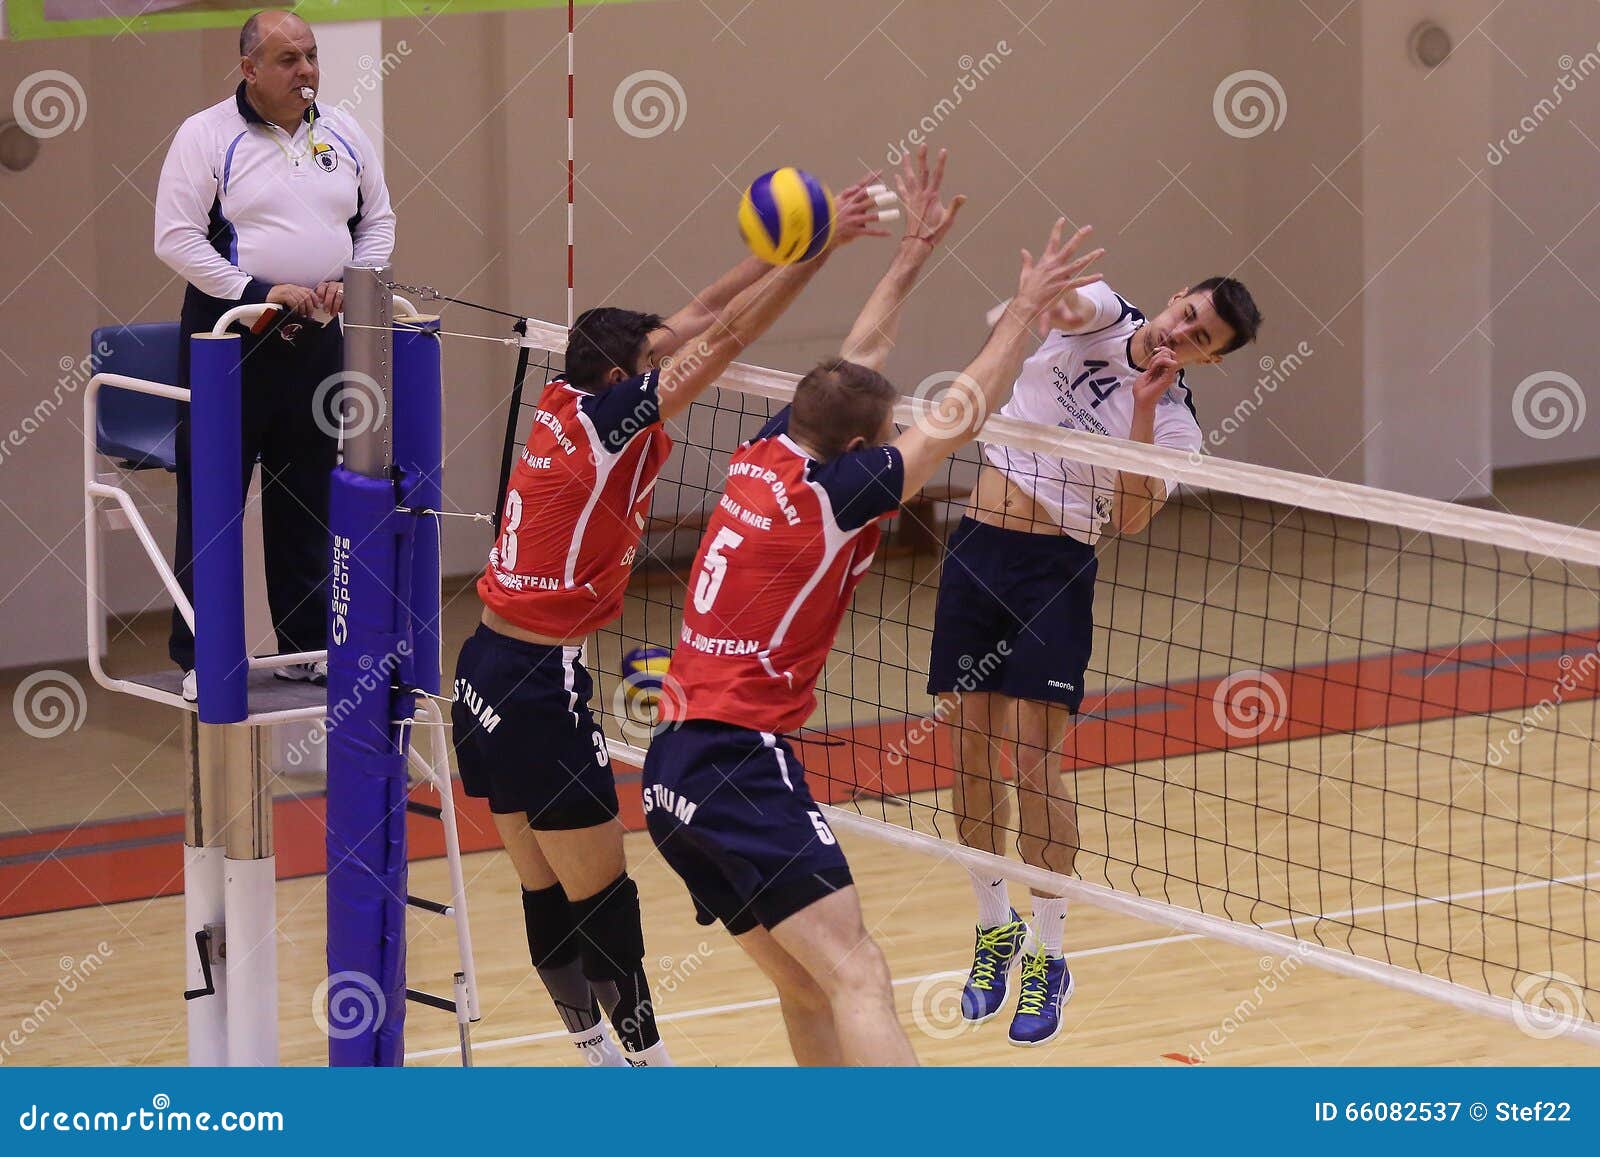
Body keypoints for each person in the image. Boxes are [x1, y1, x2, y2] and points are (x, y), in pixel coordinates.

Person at [643, 149, 1106, 1065]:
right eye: (887, 432)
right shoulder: (837, 495)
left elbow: (856, 364)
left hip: (669, 771)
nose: (898, 436)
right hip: (738, 763)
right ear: (860, 449)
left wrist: (910, 254)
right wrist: (1023, 308)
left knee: (807, 986)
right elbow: (960, 411)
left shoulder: (767, 454)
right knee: (857, 973)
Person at [450, 179, 889, 1067]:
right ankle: (646, 1072)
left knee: (544, 891)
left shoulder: (561, 397)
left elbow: (696, 316)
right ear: (623, 381)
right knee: (602, 901)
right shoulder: (613, 424)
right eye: (653, 360)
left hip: (478, 670)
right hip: (537, 685)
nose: (669, 357)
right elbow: (723, 337)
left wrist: (772, 253)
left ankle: (595, 1058)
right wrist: (815, 254)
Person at [931, 264, 1263, 1046]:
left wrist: (1141, 410)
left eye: (1202, 338)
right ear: (1175, 298)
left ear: (1211, 358)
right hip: (977, 549)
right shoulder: (1107, 314)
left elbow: (1133, 520)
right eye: (1188, 312)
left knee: (1034, 763)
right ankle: (994, 928)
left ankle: (1048, 955)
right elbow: (1073, 303)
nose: (1183, 331)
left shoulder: (1176, 426)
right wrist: (1046, 290)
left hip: (1054, 571)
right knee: (969, 748)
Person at [154, 10, 395, 699]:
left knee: (307, 498)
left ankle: (304, 646)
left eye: (311, 56)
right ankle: (202, 656)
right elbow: (175, 237)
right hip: (229, 341)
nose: (306, 71)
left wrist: (355, 280)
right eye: (288, 60)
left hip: (316, 341)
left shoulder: (344, 131)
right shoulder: (205, 135)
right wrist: (256, 293)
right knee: (214, 501)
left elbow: (378, 220)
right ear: (250, 69)